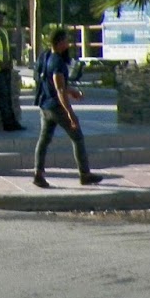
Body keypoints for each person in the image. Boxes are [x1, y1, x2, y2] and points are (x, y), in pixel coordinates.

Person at [32, 28, 103, 188]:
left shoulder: (45, 56)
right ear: (59, 43)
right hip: (56, 107)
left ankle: (38, 173)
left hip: (44, 105)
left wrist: (72, 92)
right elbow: (59, 90)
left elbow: (53, 84)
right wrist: (71, 114)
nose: (68, 43)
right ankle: (85, 174)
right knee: (77, 137)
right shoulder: (57, 61)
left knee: (43, 140)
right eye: (66, 40)